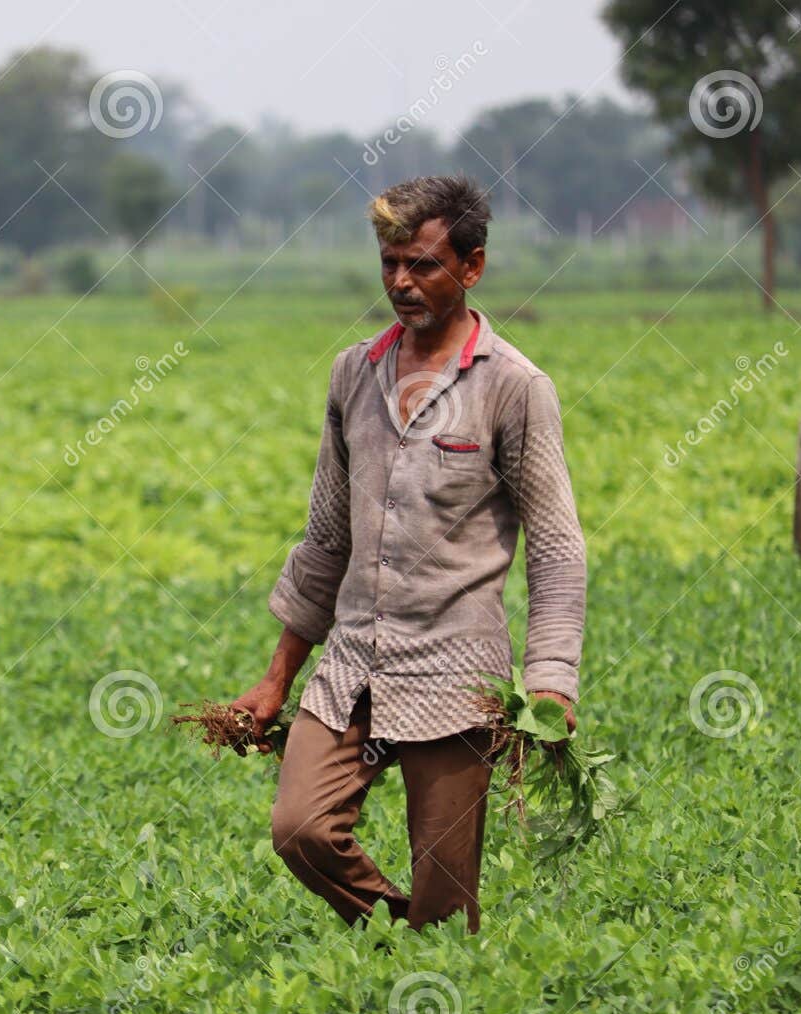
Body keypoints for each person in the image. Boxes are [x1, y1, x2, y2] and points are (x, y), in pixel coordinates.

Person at [230, 174, 587, 934]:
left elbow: (555, 550)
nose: (401, 281)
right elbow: (326, 537)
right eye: (390, 262)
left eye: (422, 264)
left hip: (458, 675)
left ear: (472, 265)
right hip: (353, 661)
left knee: (447, 893)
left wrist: (552, 681)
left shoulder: (515, 388)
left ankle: (432, 983)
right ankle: (400, 937)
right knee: (301, 828)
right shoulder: (353, 374)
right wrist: (275, 677)